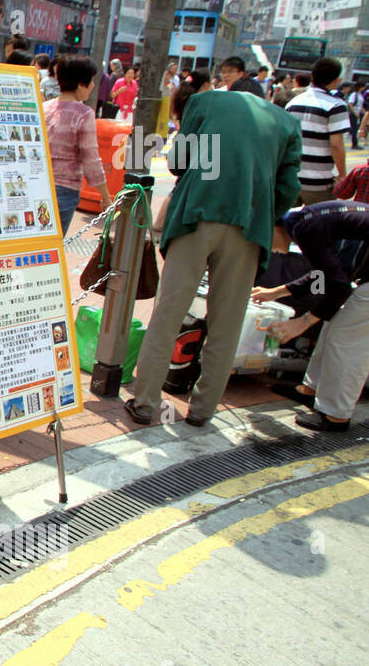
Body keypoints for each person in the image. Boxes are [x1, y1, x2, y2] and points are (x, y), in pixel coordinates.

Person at [125, 87, 302, 428]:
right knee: (227, 321)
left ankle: (146, 402)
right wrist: (264, 212)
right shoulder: (287, 123)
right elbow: (288, 189)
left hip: (197, 215)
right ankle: (203, 410)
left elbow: (178, 163)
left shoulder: (204, 102)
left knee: (169, 312)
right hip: (249, 228)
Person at [251, 200, 369, 431]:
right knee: (332, 325)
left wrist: (301, 323)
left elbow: (338, 286)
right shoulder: (304, 220)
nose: (270, 250)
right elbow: (327, 274)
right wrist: (276, 292)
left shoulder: (306, 229)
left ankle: (336, 415)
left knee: (346, 341)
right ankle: (310, 390)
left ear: (273, 229)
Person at [44, 56, 112, 235]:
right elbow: (91, 159)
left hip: (38, 185)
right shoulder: (83, 114)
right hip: (64, 190)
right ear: (81, 84)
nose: (92, 86)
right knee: (55, 246)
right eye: (90, 81)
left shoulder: (44, 108)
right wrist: (105, 196)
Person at [286, 57, 350, 205]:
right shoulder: (336, 106)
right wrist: (342, 175)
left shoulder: (293, 102)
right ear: (336, 81)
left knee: (285, 224)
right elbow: (336, 144)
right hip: (319, 181)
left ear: (312, 77)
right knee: (318, 225)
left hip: (291, 177)